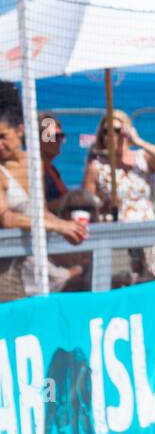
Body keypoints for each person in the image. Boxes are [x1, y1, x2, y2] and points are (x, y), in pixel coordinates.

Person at [0, 88, 87, 299]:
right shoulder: (41, 164)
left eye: (60, 136)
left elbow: (43, 209)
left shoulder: (41, 167)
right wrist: (67, 205)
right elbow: (8, 217)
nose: (56, 140)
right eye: (52, 136)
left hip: (35, 246)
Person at [83, 109, 155, 221]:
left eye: (117, 130)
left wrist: (138, 141)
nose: (110, 135)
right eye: (105, 131)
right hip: (116, 230)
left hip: (148, 226)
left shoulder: (143, 159)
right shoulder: (96, 167)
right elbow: (87, 207)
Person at [38, 111, 69, 208]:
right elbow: (40, 208)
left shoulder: (53, 170)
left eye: (61, 136)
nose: (59, 140)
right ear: (38, 139)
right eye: (53, 136)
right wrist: (70, 202)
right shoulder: (35, 170)